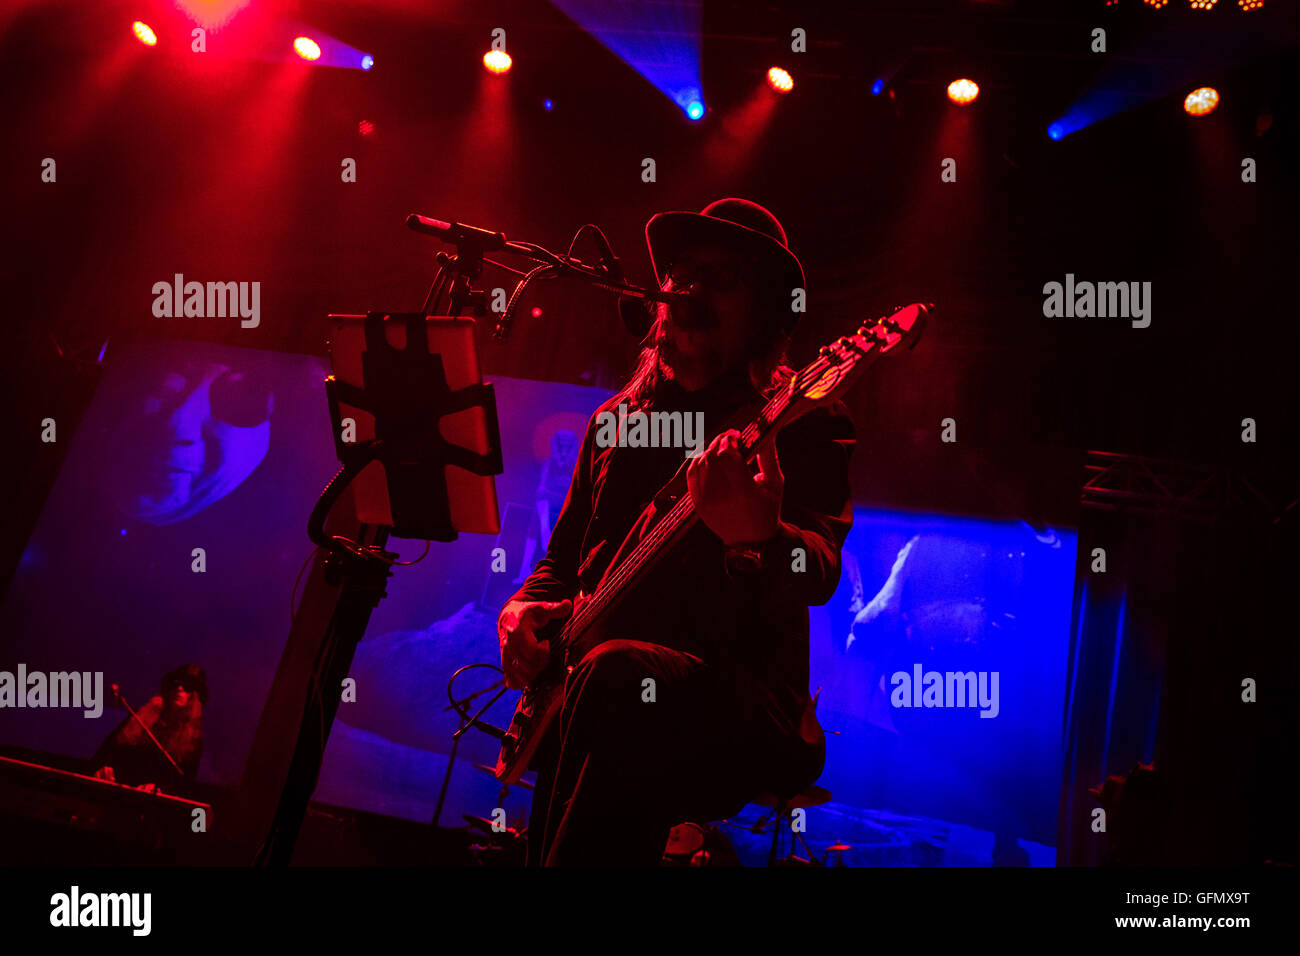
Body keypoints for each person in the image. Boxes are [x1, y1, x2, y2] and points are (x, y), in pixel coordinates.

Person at [497, 198, 856, 866]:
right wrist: (522, 608)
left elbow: (821, 573)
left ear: (767, 317)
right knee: (599, 691)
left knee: (616, 673)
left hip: (738, 704)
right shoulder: (617, 419)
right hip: (593, 693)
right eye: (684, 274)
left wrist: (761, 539)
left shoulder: (798, 419)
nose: (691, 290)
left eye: (724, 280)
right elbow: (563, 563)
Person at [91, 664, 206, 791]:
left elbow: (184, 784)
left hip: (152, 805)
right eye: (176, 683)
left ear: (195, 696)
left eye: (187, 686)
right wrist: (105, 767)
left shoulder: (192, 741)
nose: (179, 688)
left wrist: (161, 789)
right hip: (114, 791)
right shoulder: (143, 717)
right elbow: (107, 751)